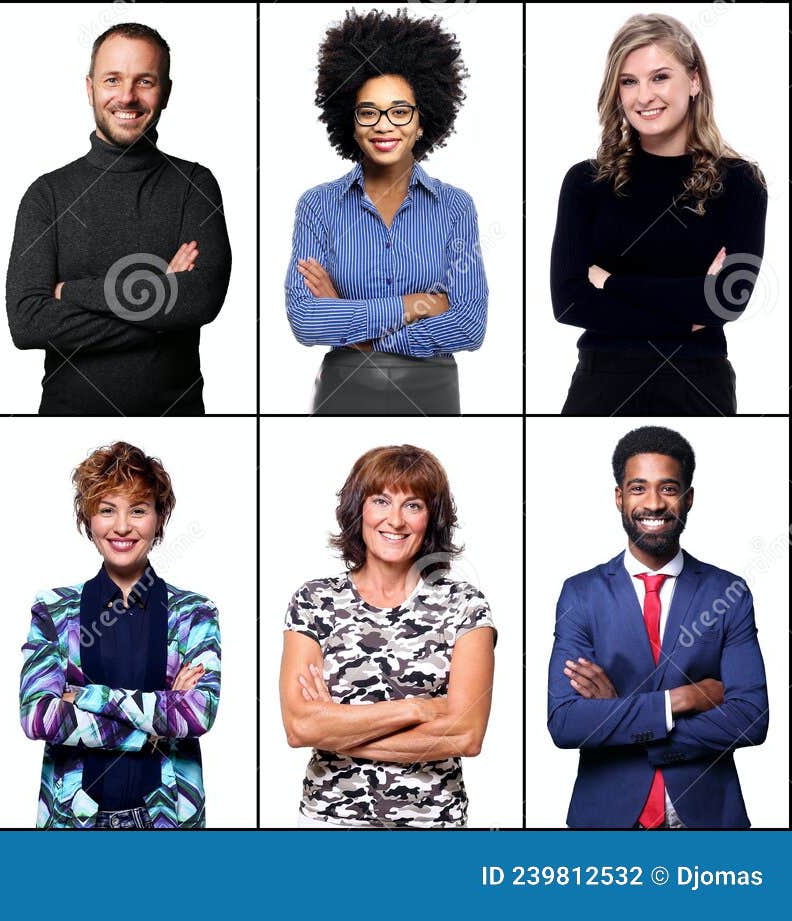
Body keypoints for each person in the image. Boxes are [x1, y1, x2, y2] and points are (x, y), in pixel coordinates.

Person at [547, 426, 767, 828]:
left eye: (668, 489)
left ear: (688, 498)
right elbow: (565, 723)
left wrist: (618, 717)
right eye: (638, 488)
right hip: (607, 822)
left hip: (710, 821)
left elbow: (751, 719)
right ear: (618, 497)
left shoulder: (729, 592)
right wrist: (682, 700)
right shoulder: (580, 593)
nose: (654, 503)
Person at [6, 23, 231, 415]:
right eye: (113, 80)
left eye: (144, 81)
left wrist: (70, 292)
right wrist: (161, 310)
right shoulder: (48, 194)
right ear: (90, 88)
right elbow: (28, 324)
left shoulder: (195, 185)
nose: (127, 96)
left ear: (166, 92)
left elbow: (200, 301)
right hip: (65, 423)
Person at [549, 14, 766, 415]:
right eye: (629, 81)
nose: (643, 96)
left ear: (695, 81)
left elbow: (727, 300)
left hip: (698, 384)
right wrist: (687, 313)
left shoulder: (740, 182)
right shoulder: (586, 181)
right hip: (603, 384)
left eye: (660, 77)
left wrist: (612, 283)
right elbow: (569, 303)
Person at [279, 445, 495, 828]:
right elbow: (300, 728)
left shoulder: (464, 604)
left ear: (431, 519)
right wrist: (419, 709)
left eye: (413, 505)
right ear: (358, 509)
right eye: (381, 501)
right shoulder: (315, 600)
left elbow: (465, 734)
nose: (395, 520)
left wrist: (336, 729)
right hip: (329, 822)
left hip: (433, 824)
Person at [284, 9, 486, 415]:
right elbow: (306, 320)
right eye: (368, 111)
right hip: (344, 388)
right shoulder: (318, 206)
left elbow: (469, 323)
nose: (384, 125)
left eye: (399, 111)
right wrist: (415, 304)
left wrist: (353, 325)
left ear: (422, 122)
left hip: (434, 391)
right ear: (351, 121)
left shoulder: (455, 207)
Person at [19, 442, 220, 828]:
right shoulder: (54, 610)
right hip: (72, 821)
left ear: (159, 519)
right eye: (107, 510)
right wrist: (154, 724)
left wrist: (85, 696)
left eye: (138, 510)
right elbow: (38, 717)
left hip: (166, 820)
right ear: (88, 518)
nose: (123, 526)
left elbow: (197, 714)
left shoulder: (194, 612)